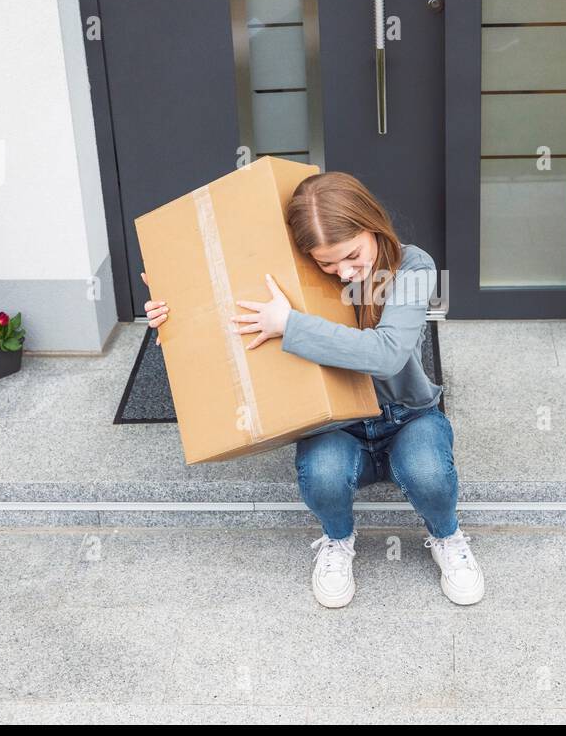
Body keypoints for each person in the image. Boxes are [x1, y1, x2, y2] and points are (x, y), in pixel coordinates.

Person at [141, 170, 484, 609]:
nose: (342, 272)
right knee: (322, 475)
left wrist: (290, 325)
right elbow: (227, 303)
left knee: (429, 474)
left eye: (352, 256)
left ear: (372, 224)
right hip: (334, 423)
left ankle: (447, 536)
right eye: (326, 263)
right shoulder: (295, 270)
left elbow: (386, 355)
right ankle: (337, 541)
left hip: (405, 415)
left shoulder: (412, 267)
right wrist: (181, 312)